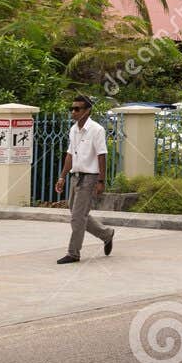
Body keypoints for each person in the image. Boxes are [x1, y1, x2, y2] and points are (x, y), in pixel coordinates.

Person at [54, 95, 115, 264]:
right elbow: (69, 155)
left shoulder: (97, 130)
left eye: (77, 109)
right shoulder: (74, 129)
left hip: (90, 178)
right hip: (76, 176)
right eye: (71, 109)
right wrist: (62, 176)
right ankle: (106, 234)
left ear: (87, 111)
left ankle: (73, 253)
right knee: (77, 213)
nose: (73, 112)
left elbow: (102, 156)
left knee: (77, 217)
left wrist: (101, 181)